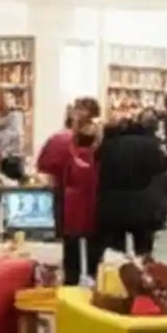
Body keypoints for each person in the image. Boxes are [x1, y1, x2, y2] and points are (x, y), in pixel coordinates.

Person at [37, 101, 102, 286]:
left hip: (68, 204)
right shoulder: (103, 147)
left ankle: (71, 288)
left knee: (71, 252)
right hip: (95, 205)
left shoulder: (59, 141)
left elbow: (45, 168)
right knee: (93, 252)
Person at [97, 111, 167, 256]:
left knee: (115, 252)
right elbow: (161, 168)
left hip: (114, 205)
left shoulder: (107, 146)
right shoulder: (150, 144)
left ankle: (118, 275)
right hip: (145, 203)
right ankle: (144, 273)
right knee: (143, 249)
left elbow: (100, 172)